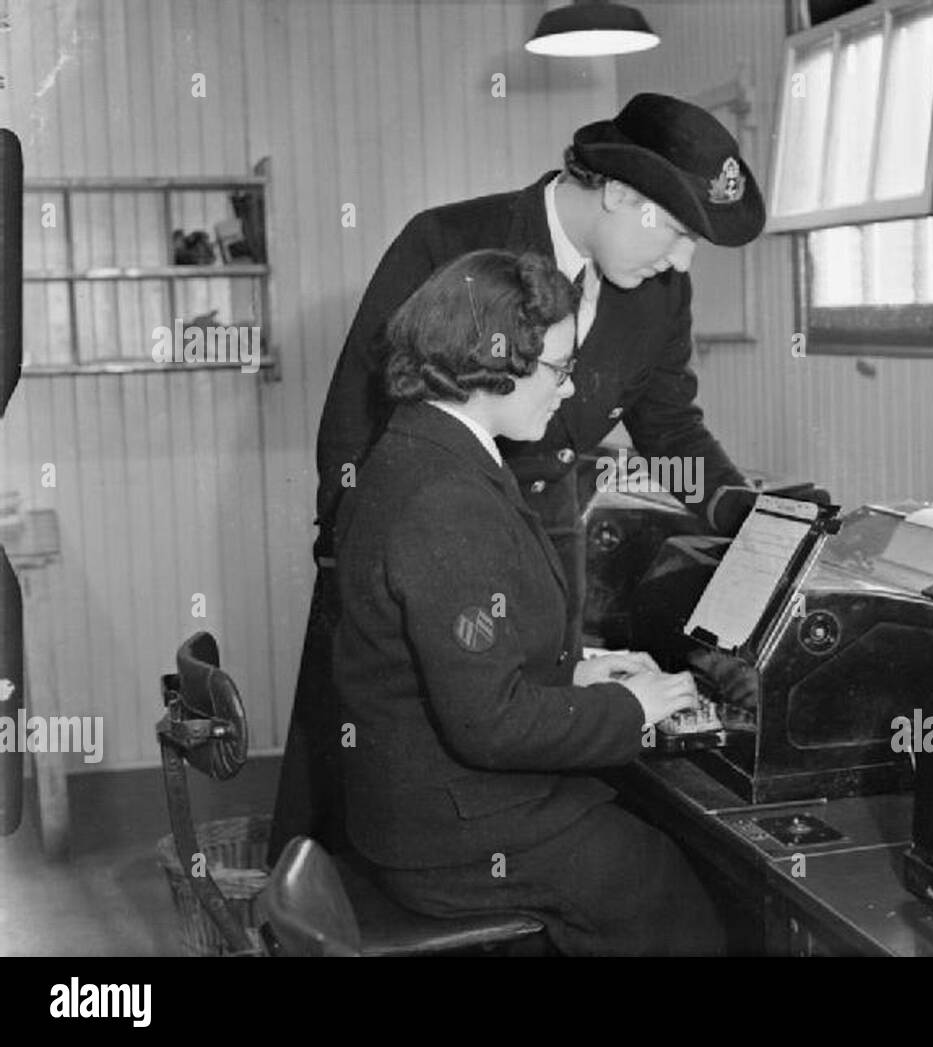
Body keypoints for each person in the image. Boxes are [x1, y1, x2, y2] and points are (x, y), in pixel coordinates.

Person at [270, 92, 777, 861]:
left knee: (534, 798)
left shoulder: (662, 293)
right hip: (417, 561)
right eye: (676, 230)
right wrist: (359, 573)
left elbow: (672, 429)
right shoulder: (448, 241)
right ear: (617, 191)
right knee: (372, 819)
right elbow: (353, 419)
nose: (680, 260)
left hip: (545, 559)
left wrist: (754, 524)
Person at [332, 248, 725, 955]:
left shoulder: (427, 450)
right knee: (667, 886)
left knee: (639, 837)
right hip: (451, 833)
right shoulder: (443, 496)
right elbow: (490, 724)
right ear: (492, 364)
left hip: (424, 805)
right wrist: (637, 707)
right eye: (558, 368)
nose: (569, 391)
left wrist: (577, 672)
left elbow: (465, 653)